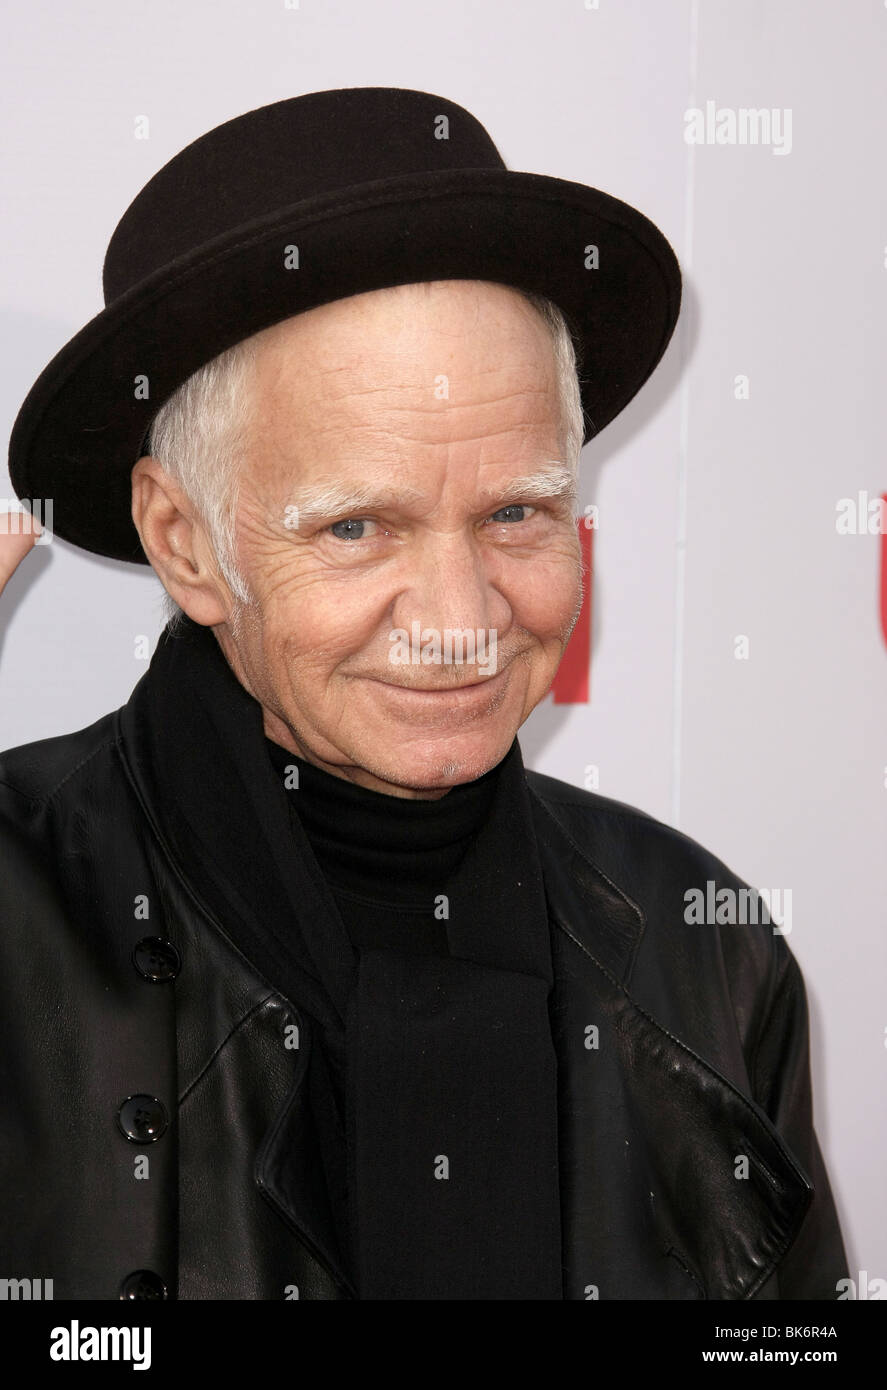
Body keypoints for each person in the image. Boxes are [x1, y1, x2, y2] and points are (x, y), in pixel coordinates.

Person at [0, 87, 847, 1300]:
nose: (461, 621)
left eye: (515, 512)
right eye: (355, 526)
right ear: (185, 544)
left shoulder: (703, 946)